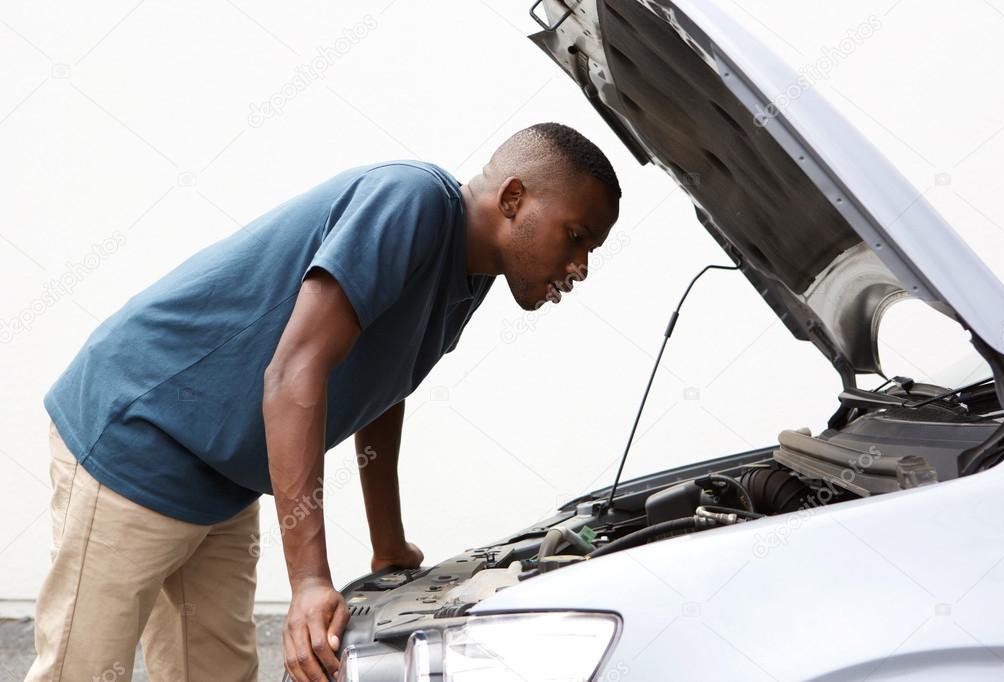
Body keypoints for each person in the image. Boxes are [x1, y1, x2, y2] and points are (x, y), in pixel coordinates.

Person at [27, 121, 621, 682]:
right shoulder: (410, 200)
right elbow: (293, 374)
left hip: (224, 478)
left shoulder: (472, 274)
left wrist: (387, 540)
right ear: (514, 197)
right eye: (576, 236)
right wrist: (310, 582)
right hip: (139, 435)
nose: (582, 267)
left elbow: (384, 384)